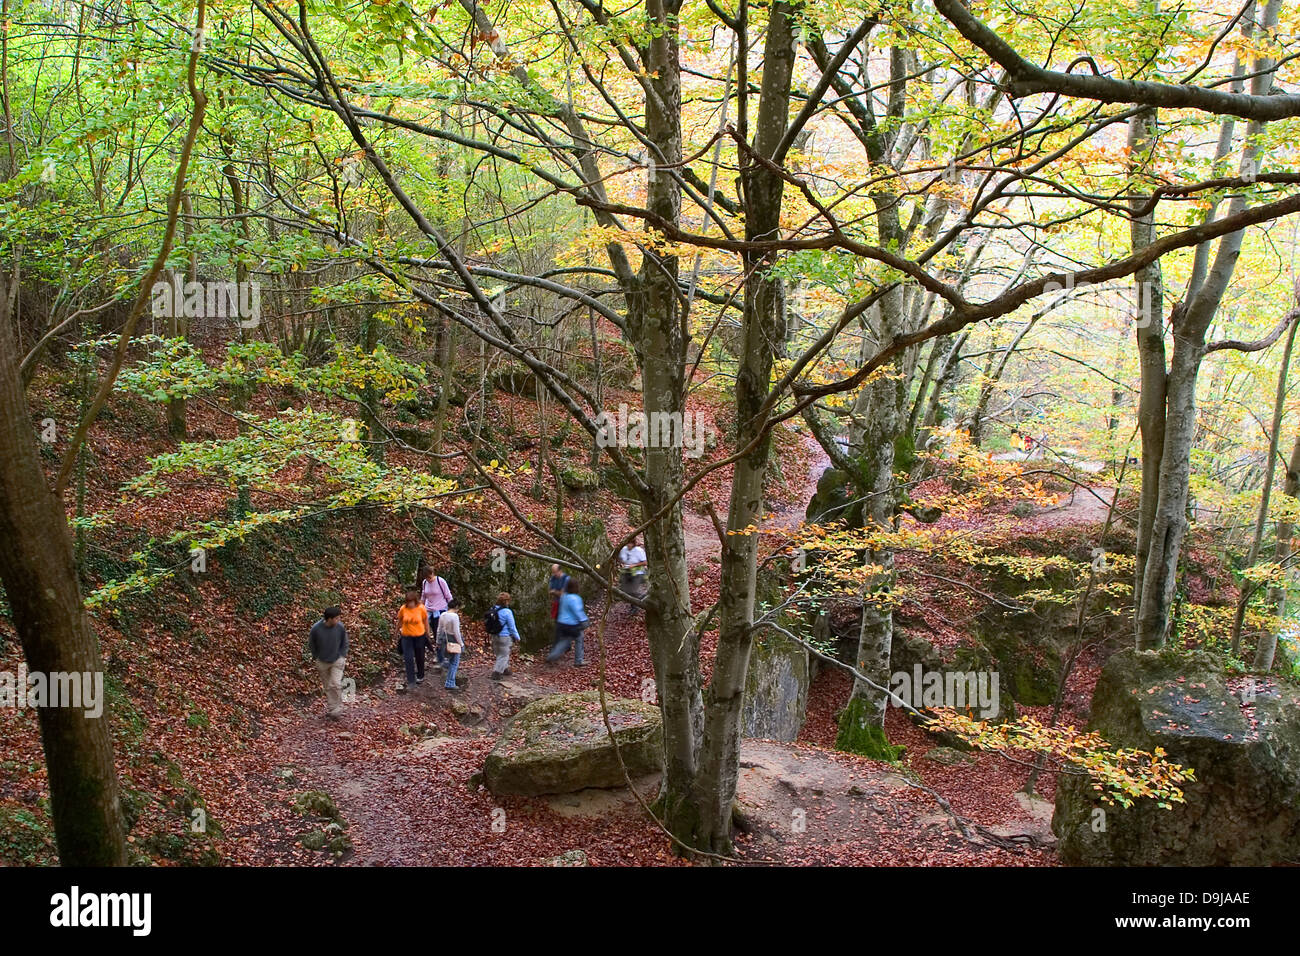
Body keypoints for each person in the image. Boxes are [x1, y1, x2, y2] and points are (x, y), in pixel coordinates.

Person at [308, 606, 349, 720]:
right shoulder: (316, 629)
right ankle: (333, 709)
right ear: (329, 619)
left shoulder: (340, 627)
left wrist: (342, 655)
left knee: (335, 683)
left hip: (337, 660)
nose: (338, 620)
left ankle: (338, 708)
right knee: (327, 686)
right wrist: (316, 656)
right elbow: (312, 644)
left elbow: (345, 642)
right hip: (322, 661)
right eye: (336, 618)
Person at [547, 580, 588, 667]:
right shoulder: (576, 598)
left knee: (565, 641)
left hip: (561, 623)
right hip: (572, 624)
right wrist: (584, 621)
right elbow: (578, 612)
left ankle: (552, 655)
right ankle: (578, 660)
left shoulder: (564, 597)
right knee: (579, 639)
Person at [396, 586, 429, 691]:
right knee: (408, 658)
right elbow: (400, 620)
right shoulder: (403, 609)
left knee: (419, 656)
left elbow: (425, 621)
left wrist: (427, 633)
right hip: (406, 637)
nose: (410, 604)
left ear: (415, 601)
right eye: (408, 602)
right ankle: (411, 680)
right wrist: (396, 631)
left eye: (412, 602)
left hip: (419, 636)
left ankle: (420, 675)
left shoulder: (421, 608)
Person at [421, 565, 454, 669]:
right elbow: (423, 595)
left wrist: (452, 610)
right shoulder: (425, 582)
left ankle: (440, 655)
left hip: (440, 610)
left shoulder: (441, 581)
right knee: (425, 631)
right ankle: (430, 652)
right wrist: (420, 607)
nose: (429, 580)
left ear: (432, 574)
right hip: (428, 610)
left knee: (438, 633)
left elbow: (448, 596)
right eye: (427, 578)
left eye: (429, 577)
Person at [487, 592, 521, 680]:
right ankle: (496, 673)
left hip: (494, 635)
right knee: (504, 655)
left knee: (500, 653)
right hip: (504, 637)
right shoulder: (507, 612)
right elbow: (512, 627)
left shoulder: (493, 609)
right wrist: (517, 636)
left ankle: (505, 669)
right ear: (507, 601)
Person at [436, 599, 467, 692]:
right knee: (454, 662)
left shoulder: (442, 615)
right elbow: (456, 632)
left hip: (445, 639)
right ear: (456, 607)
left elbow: (439, 629)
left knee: (448, 658)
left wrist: (438, 641)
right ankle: (450, 682)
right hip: (453, 639)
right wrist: (461, 644)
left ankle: (445, 668)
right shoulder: (454, 616)